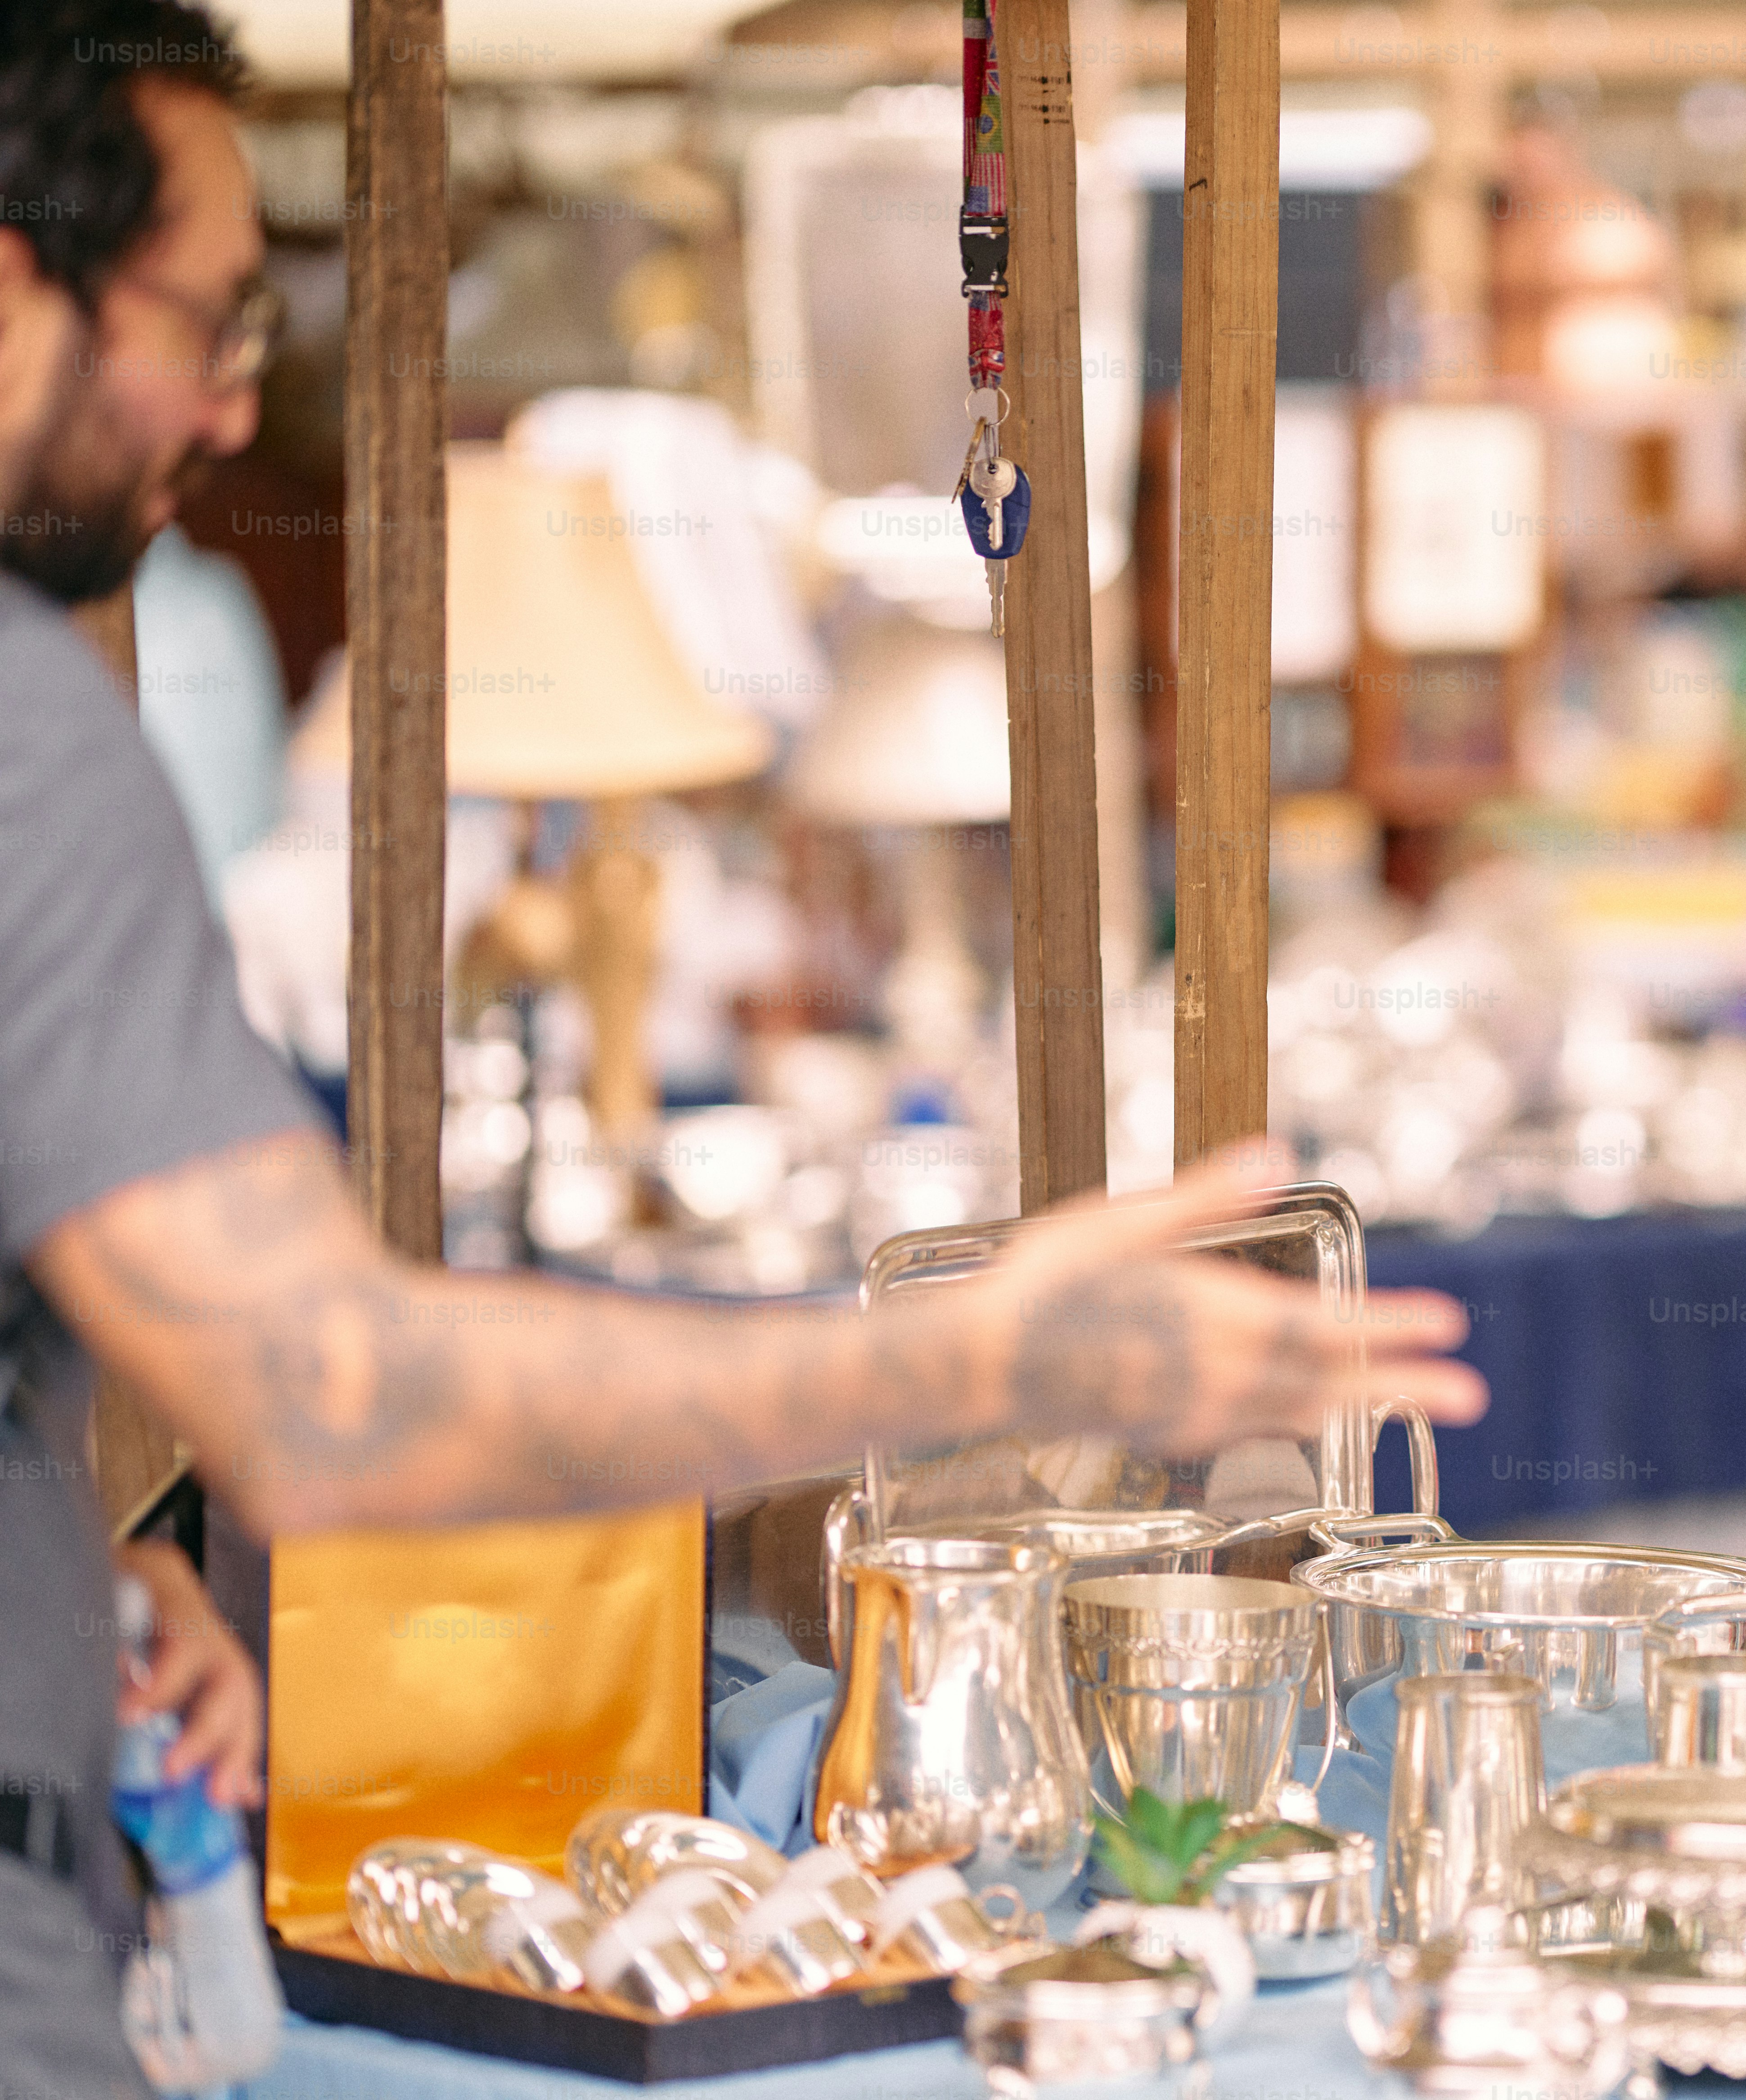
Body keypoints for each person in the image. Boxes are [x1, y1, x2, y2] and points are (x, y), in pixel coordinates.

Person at [0, 8, 1486, 2093]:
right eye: (211, 320)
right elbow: (332, 1402)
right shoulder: (34, 742)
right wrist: (977, 1366)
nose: (237, 406)